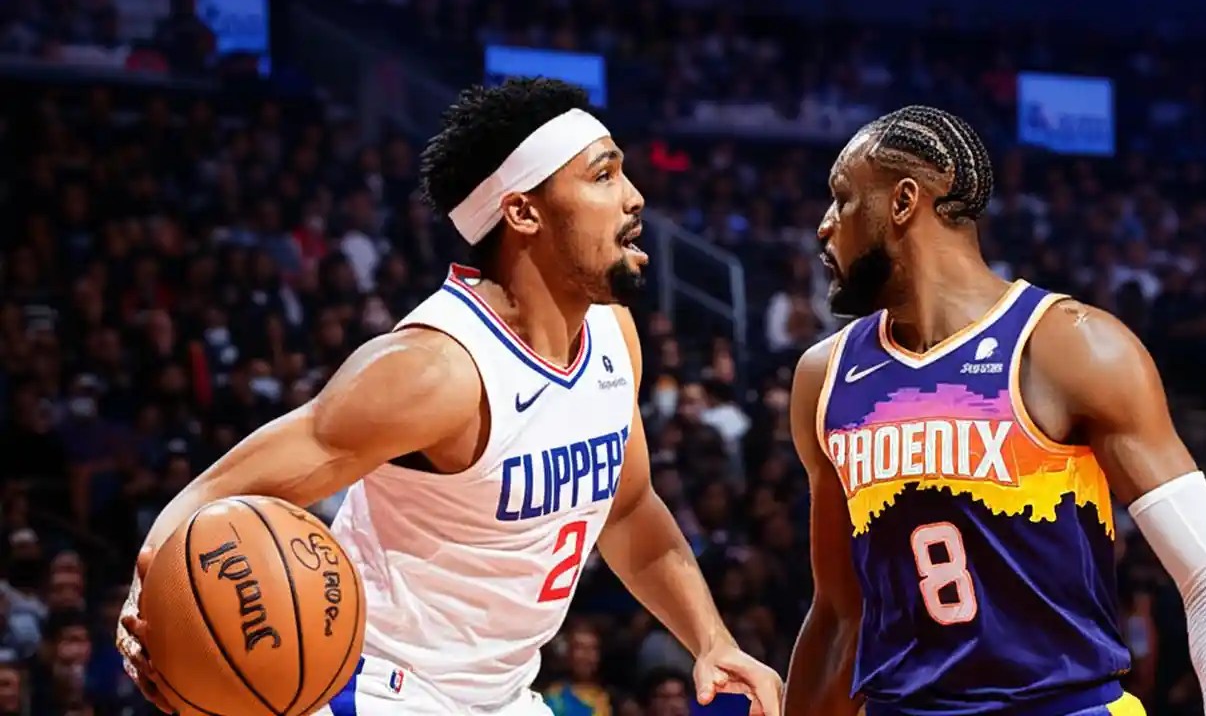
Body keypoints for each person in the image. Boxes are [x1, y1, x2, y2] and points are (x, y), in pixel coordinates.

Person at [115, 77, 782, 716]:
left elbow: (629, 512)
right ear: (523, 211)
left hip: (505, 695)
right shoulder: (437, 371)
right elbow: (217, 489)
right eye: (603, 175)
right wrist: (145, 606)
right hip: (382, 687)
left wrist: (712, 641)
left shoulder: (613, 334)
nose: (634, 197)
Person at [783, 105, 1206, 716]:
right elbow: (838, 617)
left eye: (842, 199)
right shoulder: (825, 377)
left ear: (903, 201)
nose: (825, 226)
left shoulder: (1071, 345)